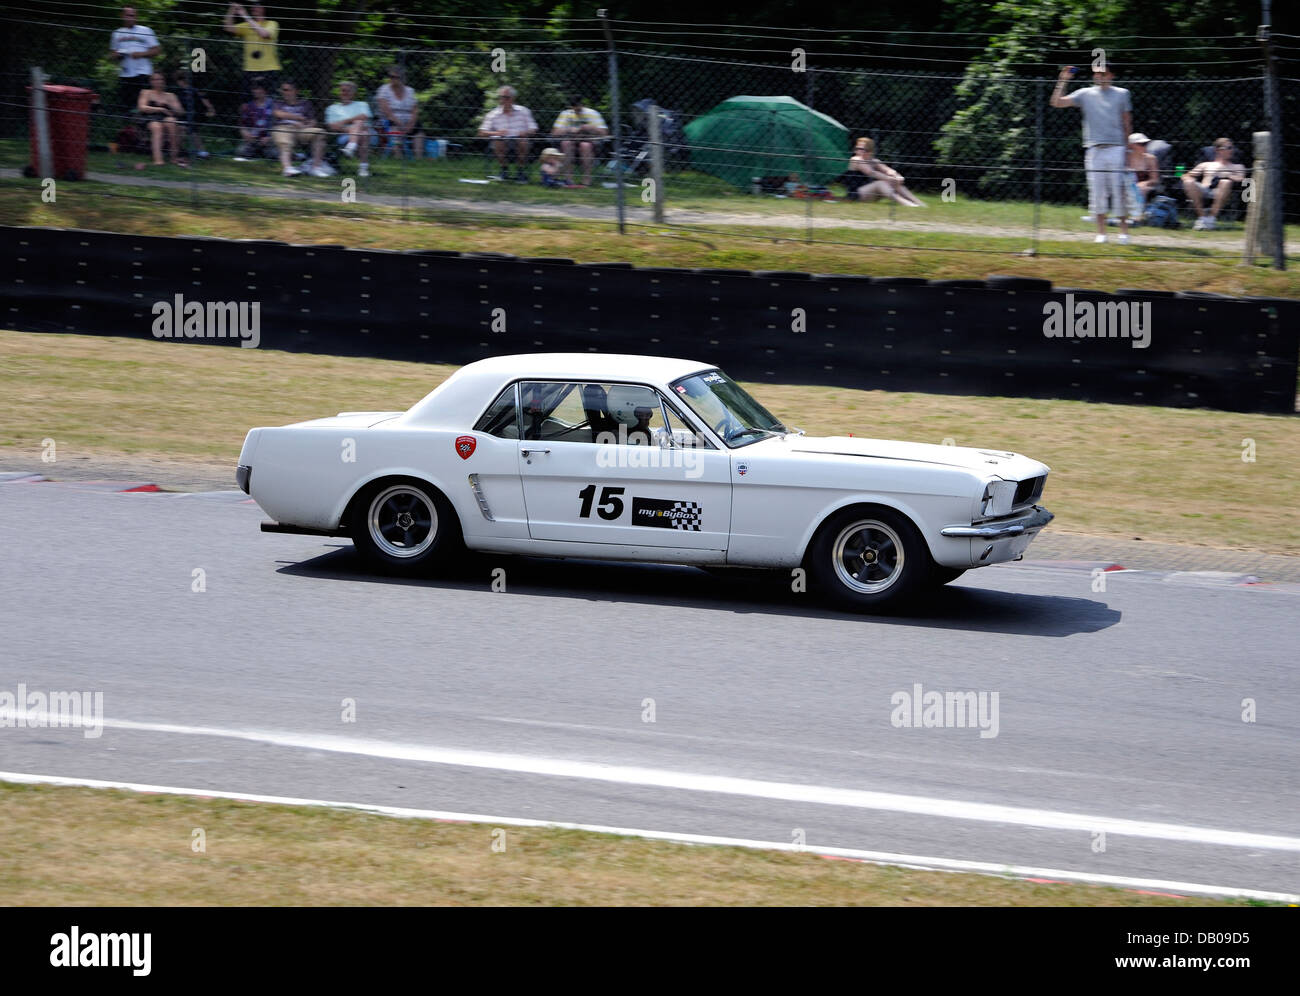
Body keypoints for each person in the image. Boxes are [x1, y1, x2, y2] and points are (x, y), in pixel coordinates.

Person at [1050, 62, 1133, 245]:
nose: (1099, 76)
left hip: (1117, 148)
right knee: (1097, 192)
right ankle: (1101, 234)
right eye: (1096, 73)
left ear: (1111, 75)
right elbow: (1056, 102)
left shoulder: (1122, 94)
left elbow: (1127, 123)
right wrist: (1063, 80)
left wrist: (1128, 150)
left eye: (1103, 73)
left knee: (1118, 190)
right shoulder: (1084, 93)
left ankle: (1124, 233)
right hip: (1094, 149)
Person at [1182, 138, 1246, 231]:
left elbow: (1241, 178)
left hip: (1222, 191)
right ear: (1218, 150)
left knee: (1225, 182)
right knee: (1188, 182)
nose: (1231, 150)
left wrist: (1228, 175)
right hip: (1204, 189)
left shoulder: (1237, 166)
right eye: (1228, 148)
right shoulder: (1206, 164)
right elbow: (1186, 175)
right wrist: (1190, 180)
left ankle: (1211, 219)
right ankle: (1203, 218)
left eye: (1232, 148)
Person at [478, 85, 538, 182]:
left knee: (523, 141)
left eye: (506, 97)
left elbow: (534, 129)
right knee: (497, 141)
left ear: (513, 98)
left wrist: (525, 132)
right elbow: (481, 132)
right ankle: (504, 170)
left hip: (519, 139)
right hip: (502, 141)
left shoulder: (524, 111)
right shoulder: (493, 114)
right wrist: (496, 132)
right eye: (500, 97)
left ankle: (520, 172)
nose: (502, 100)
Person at [109, 7, 160, 117]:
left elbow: (157, 50)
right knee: (127, 106)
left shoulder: (145, 30)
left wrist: (141, 54)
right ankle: (129, 129)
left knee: (143, 104)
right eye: (128, 15)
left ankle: (144, 126)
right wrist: (117, 55)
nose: (131, 18)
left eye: (133, 15)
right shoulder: (116, 33)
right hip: (125, 73)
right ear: (122, 16)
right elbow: (112, 54)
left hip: (143, 73)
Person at [271, 80, 328, 178]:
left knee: (320, 133)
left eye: (287, 90)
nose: (284, 92)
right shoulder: (278, 103)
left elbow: (313, 121)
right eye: (283, 90)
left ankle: (315, 168)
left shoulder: (305, 103)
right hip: (283, 127)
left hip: (302, 130)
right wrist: (298, 118)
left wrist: (306, 126)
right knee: (284, 140)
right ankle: (288, 169)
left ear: (296, 91)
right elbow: (278, 114)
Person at [843, 137, 924, 206]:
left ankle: (919, 204)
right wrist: (890, 179)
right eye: (857, 148)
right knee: (880, 183)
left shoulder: (873, 161)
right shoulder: (856, 159)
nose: (857, 151)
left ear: (869, 151)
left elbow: (887, 169)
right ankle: (907, 204)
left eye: (861, 149)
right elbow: (871, 172)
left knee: (894, 183)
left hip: (870, 193)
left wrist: (897, 176)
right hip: (856, 195)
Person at [224, 3, 281, 96]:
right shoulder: (246, 25)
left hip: (269, 69)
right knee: (248, 103)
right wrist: (231, 10)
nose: (254, 7)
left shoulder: (272, 23)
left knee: (270, 101)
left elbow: (264, 34)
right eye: (253, 6)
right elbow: (227, 28)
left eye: (257, 5)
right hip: (250, 69)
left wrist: (245, 16)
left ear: (263, 8)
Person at [550, 95, 608, 186]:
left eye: (579, 109)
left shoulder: (593, 113)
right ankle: (568, 179)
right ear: (571, 107)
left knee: (585, 145)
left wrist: (590, 128)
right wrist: (569, 129)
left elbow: (604, 133)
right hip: (571, 140)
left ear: (582, 105)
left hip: (589, 142)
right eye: (574, 109)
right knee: (566, 143)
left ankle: (586, 179)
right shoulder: (565, 114)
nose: (577, 111)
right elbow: (554, 133)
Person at [135, 72, 185, 167]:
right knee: (157, 127)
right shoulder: (146, 92)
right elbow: (142, 107)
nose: (158, 81)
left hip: (166, 117)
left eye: (161, 79)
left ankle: (173, 157)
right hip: (150, 117)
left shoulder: (170, 95)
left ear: (164, 81)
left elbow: (181, 112)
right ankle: (158, 160)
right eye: (155, 79)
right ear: (151, 81)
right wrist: (160, 109)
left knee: (172, 122)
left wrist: (172, 106)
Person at [326, 80, 372, 177]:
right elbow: (333, 126)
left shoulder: (362, 104)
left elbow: (364, 117)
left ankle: (351, 146)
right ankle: (363, 168)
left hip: (365, 130)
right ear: (339, 92)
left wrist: (344, 122)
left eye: (348, 91)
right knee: (363, 133)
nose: (345, 93)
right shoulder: (332, 108)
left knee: (360, 124)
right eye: (343, 90)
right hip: (343, 136)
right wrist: (353, 127)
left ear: (354, 93)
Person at [375, 67, 423, 159]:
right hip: (389, 120)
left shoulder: (410, 91)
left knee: (419, 130)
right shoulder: (383, 90)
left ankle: (418, 158)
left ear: (402, 78)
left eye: (394, 77)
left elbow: (415, 110)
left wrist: (411, 125)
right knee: (395, 128)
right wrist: (399, 123)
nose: (391, 79)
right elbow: (386, 111)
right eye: (390, 76)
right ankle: (398, 156)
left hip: (408, 120)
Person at [172, 69, 216, 159]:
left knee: (188, 127)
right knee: (184, 127)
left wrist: (210, 109)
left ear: (180, 81)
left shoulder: (192, 90)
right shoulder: (179, 92)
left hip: (194, 115)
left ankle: (199, 151)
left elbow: (204, 100)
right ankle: (197, 151)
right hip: (182, 116)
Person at [234, 78, 275, 160]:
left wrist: (270, 137)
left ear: (265, 90)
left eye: (258, 88)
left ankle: (260, 153)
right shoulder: (249, 106)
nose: (255, 91)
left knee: (274, 154)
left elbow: (279, 124)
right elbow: (243, 124)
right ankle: (257, 153)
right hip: (253, 140)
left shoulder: (274, 104)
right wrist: (245, 133)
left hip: (269, 140)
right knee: (240, 151)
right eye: (254, 89)